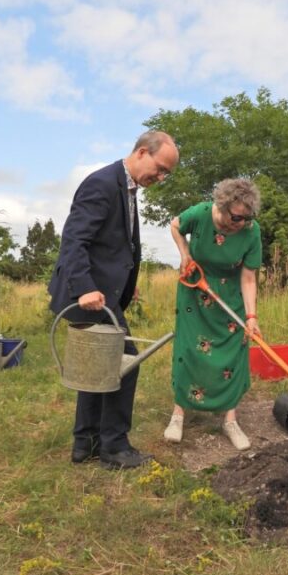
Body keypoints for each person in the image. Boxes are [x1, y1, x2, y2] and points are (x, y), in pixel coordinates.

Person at [49, 130, 179, 469]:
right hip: (87, 296)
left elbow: (112, 246)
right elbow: (75, 240)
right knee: (124, 366)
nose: (161, 177)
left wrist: (125, 284)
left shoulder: (127, 187)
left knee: (97, 367)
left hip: (103, 294)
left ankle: (85, 444)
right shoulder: (103, 183)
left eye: (167, 173)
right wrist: (84, 288)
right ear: (141, 152)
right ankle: (114, 448)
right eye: (161, 168)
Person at [164, 178, 262, 450]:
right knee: (190, 350)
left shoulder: (251, 231)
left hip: (230, 296)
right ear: (223, 205)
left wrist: (251, 317)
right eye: (236, 217)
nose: (240, 223)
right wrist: (185, 254)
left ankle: (230, 419)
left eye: (246, 218)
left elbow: (249, 277)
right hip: (195, 290)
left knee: (232, 353)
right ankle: (178, 414)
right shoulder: (200, 214)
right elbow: (175, 225)